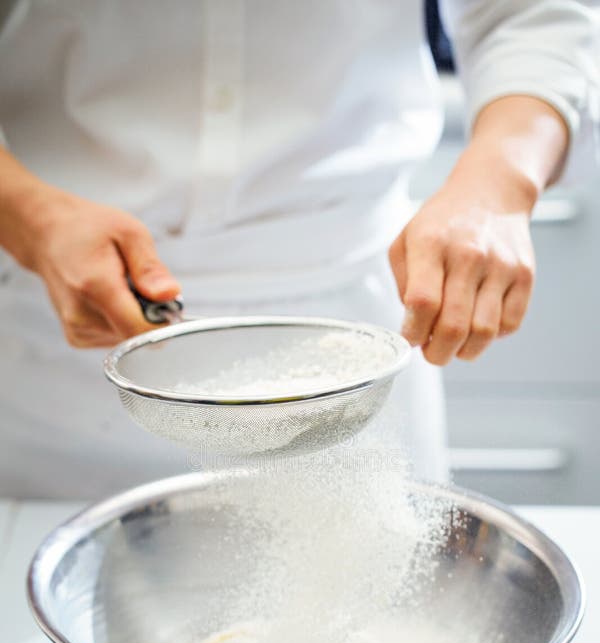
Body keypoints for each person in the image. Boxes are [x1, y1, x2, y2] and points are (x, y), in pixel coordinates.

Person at [0, 1, 597, 499]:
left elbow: (530, 12)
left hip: (352, 334)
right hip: (54, 326)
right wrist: (26, 213)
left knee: (373, 616)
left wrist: (499, 185)